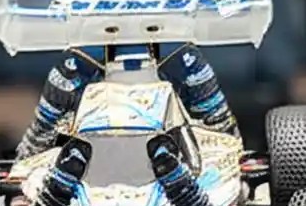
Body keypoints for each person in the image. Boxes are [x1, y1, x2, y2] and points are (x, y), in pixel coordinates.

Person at [15, 43, 240, 158]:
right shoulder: (73, 66)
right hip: (88, 178)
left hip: (172, 176)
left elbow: (224, 139)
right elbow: (38, 142)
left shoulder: (185, 61)